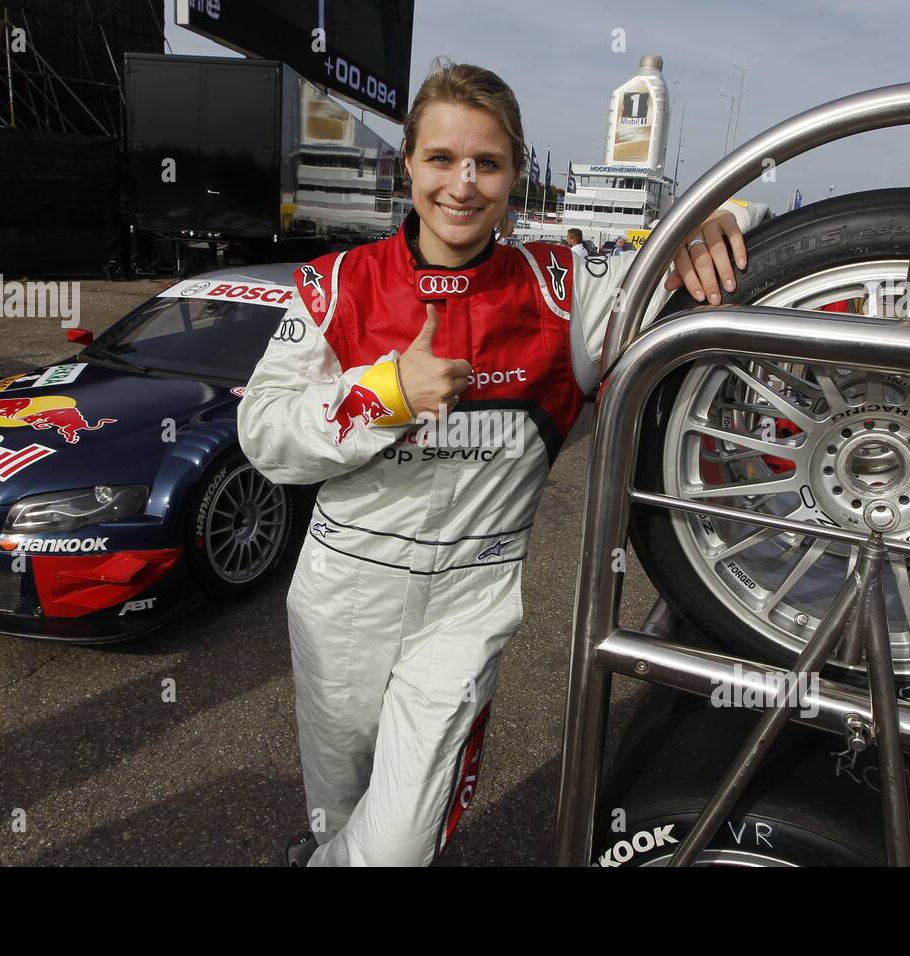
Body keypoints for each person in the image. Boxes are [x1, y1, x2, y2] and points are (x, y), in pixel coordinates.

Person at [237, 59, 767, 867]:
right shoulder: (333, 285)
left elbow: (682, 278)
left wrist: (704, 227)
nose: (462, 184)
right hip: (341, 591)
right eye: (442, 159)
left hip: (468, 598)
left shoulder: (566, 286)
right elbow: (263, 436)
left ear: (515, 175)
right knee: (335, 806)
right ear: (408, 162)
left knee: (398, 844)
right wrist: (382, 395)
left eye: (486, 162)